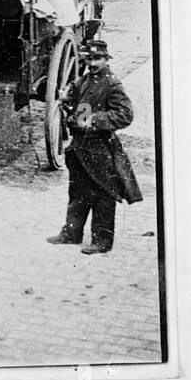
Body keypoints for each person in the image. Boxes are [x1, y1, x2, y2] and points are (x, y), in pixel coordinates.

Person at [46, 39, 142, 254]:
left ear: (106, 59)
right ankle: (71, 233)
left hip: (99, 149)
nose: (92, 63)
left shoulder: (112, 84)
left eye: (97, 58)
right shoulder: (85, 80)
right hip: (80, 147)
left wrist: (94, 120)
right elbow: (75, 95)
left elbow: (125, 115)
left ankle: (102, 241)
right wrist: (66, 97)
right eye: (89, 58)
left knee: (103, 195)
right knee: (77, 192)